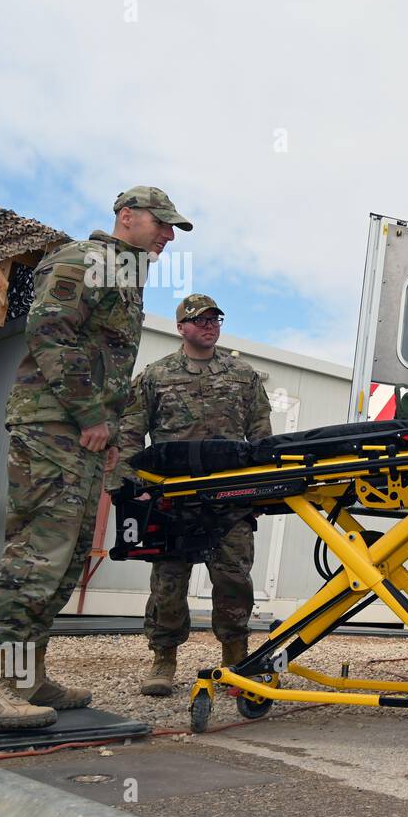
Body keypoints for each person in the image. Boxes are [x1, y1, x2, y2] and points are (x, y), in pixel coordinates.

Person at [0, 186, 192, 729]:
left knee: (67, 557)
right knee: (37, 556)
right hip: (53, 427)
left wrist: (105, 434)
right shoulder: (85, 259)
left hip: (79, 437)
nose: (169, 235)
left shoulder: (125, 275)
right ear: (126, 217)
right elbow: (50, 333)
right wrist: (89, 416)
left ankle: (25, 674)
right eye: (162, 223)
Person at [107, 294, 272, 696]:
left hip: (229, 497)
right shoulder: (155, 376)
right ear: (182, 327)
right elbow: (129, 432)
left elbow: (262, 436)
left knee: (233, 577)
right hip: (171, 497)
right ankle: (163, 659)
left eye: (216, 318)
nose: (210, 325)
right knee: (168, 580)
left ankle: (235, 659)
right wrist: (128, 487)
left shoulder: (243, 375)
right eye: (200, 320)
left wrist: (266, 487)